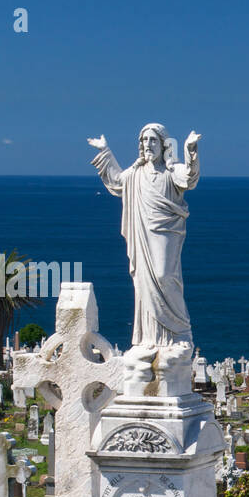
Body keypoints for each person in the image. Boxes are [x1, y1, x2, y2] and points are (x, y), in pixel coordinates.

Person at [88, 123, 201, 349]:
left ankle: (179, 331)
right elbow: (117, 181)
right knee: (143, 283)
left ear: (163, 144)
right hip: (142, 233)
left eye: (153, 140)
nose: (148, 144)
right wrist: (105, 151)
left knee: (163, 276)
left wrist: (190, 150)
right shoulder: (135, 173)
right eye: (144, 140)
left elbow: (189, 178)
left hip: (167, 232)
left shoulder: (172, 171)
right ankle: (151, 338)